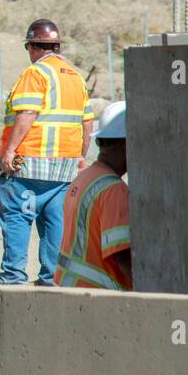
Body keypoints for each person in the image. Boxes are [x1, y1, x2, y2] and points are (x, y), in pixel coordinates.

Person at [0, 19, 94, 285]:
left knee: (17, 216)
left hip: (29, 164)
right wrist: (81, 156)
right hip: (64, 167)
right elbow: (87, 123)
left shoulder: (36, 73)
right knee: (55, 222)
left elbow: (28, 112)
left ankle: (13, 276)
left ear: (32, 47)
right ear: (56, 45)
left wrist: (9, 151)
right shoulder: (75, 76)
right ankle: (52, 277)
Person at [53, 102, 131, 290]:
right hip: (98, 295)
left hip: (71, 288)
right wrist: (148, 294)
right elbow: (120, 254)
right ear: (126, 144)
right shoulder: (114, 190)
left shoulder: (86, 177)